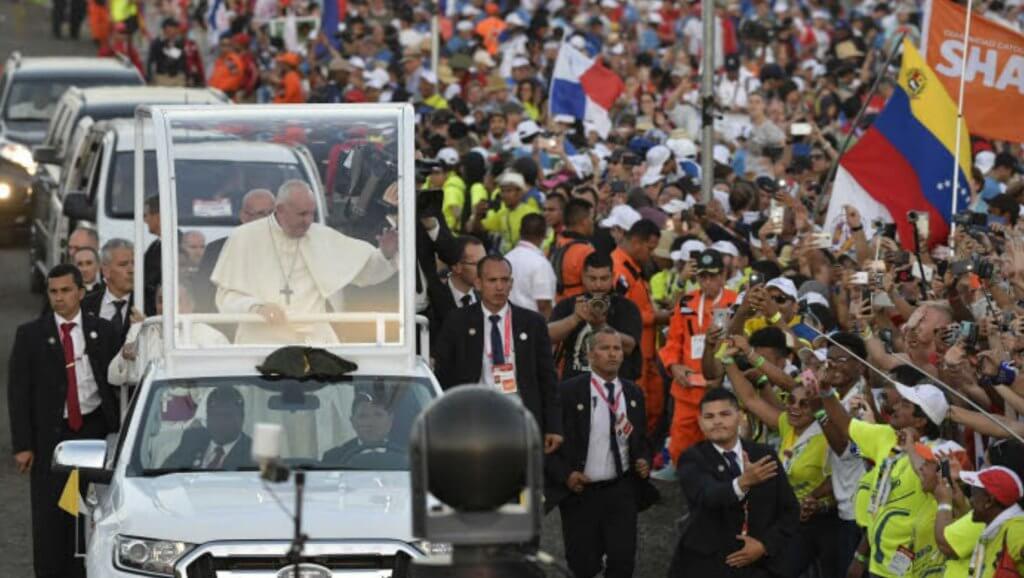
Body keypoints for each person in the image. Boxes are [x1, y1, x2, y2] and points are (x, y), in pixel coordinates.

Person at [8, 264, 120, 578]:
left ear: (81, 292)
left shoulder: (103, 330)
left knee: (92, 509)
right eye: (53, 292)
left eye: (66, 291)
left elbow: (113, 382)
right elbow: (19, 392)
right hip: (51, 437)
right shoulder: (31, 335)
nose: (60, 298)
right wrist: (23, 445)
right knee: (50, 515)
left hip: (94, 430)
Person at [211, 180, 398, 344]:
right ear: (280, 210)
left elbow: (365, 271)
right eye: (301, 214)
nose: (308, 221)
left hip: (314, 341)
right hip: (261, 341)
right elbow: (226, 297)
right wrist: (257, 307)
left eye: (311, 214)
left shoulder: (321, 236)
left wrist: (386, 254)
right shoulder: (245, 238)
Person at [546, 328, 655, 578]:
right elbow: (548, 444)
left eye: (616, 348)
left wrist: (643, 460)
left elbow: (642, 440)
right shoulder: (568, 393)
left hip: (622, 490)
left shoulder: (633, 393)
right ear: (590, 354)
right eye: (605, 348)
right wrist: (565, 475)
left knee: (622, 561)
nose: (612, 354)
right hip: (581, 493)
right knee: (583, 565)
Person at [434, 255, 564, 454]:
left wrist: (553, 426)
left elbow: (548, 378)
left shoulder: (532, 323)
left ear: (511, 283)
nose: (499, 287)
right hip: (473, 419)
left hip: (520, 418)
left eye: (504, 280)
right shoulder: (458, 321)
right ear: (478, 283)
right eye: (492, 280)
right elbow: (443, 374)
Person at [667, 387, 799, 577]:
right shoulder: (692, 458)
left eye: (725, 414)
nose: (717, 421)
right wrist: (743, 482)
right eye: (709, 417)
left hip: (760, 565)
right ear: (700, 422)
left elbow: (790, 510)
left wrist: (764, 545)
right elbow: (708, 495)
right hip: (707, 565)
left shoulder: (764, 455)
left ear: (740, 417)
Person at [659, 249, 739, 468]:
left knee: (721, 446)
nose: (707, 282)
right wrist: (674, 366)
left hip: (721, 389)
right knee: (681, 447)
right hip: (687, 389)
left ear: (723, 276)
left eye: (713, 276)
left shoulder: (735, 303)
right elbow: (673, 342)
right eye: (702, 277)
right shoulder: (686, 302)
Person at [108, 283, 229, 386]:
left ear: (191, 305)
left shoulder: (212, 337)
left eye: (176, 300)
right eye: (161, 301)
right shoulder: (141, 330)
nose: (167, 306)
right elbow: (113, 378)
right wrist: (124, 356)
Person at [549, 251, 642, 381]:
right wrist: (575, 318)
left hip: (615, 384)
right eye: (592, 278)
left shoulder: (626, 307)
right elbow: (547, 336)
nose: (598, 285)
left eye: (604, 278)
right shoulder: (569, 304)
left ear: (613, 276)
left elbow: (629, 347)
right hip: (575, 384)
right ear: (583, 277)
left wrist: (600, 325)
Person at [612, 218, 667, 434]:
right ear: (636, 242)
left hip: (645, 352)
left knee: (652, 405)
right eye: (650, 248)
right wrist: (657, 317)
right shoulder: (618, 269)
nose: (651, 254)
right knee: (637, 409)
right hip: (632, 355)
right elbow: (622, 314)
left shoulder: (631, 267)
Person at [193, 188, 275, 313]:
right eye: (261, 214)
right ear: (244, 216)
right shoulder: (216, 250)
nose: (268, 219)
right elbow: (204, 295)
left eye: (272, 213)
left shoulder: (287, 246)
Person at [161, 385, 253, 470]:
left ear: (241, 418)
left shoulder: (252, 453)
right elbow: (166, 472)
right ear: (207, 416)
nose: (220, 422)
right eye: (215, 415)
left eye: (227, 416)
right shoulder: (192, 439)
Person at [427, 235, 485, 349]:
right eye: (478, 264)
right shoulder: (432, 300)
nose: (484, 270)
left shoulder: (486, 298)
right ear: (456, 266)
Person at [322, 392, 405, 467]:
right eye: (363, 416)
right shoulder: (333, 458)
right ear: (353, 422)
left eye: (378, 415)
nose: (371, 422)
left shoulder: (409, 456)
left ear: (390, 420)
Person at [468, 171, 541, 254]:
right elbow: (478, 229)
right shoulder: (502, 214)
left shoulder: (531, 213)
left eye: (509, 191)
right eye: (502, 191)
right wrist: (478, 214)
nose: (504, 195)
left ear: (520, 193)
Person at [82, 238, 135, 348]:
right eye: (123, 264)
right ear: (105, 271)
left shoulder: (150, 302)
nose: (131, 270)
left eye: (134, 263)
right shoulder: (85, 305)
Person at [505, 213, 557, 318]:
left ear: (520, 232)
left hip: (507, 323)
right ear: (545, 234)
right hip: (532, 326)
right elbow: (543, 304)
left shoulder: (506, 259)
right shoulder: (541, 264)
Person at [552, 198, 597, 302]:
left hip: (558, 306)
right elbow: (595, 287)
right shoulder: (585, 251)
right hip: (579, 307)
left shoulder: (556, 243)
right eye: (591, 218)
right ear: (584, 222)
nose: (593, 222)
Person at [142, 196, 162, 316]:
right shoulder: (154, 246)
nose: (145, 220)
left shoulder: (177, 243)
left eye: (146, 215)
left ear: (158, 216)